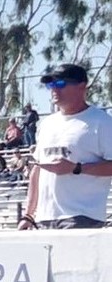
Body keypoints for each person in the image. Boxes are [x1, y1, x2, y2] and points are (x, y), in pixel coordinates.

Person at [18, 63, 112, 230]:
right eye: (51, 85)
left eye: (60, 84)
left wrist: (76, 168)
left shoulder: (102, 122)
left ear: (81, 87)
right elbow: (37, 170)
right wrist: (29, 214)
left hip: (82, 216)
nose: (54, 89)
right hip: (44, 218)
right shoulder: (47, 124)